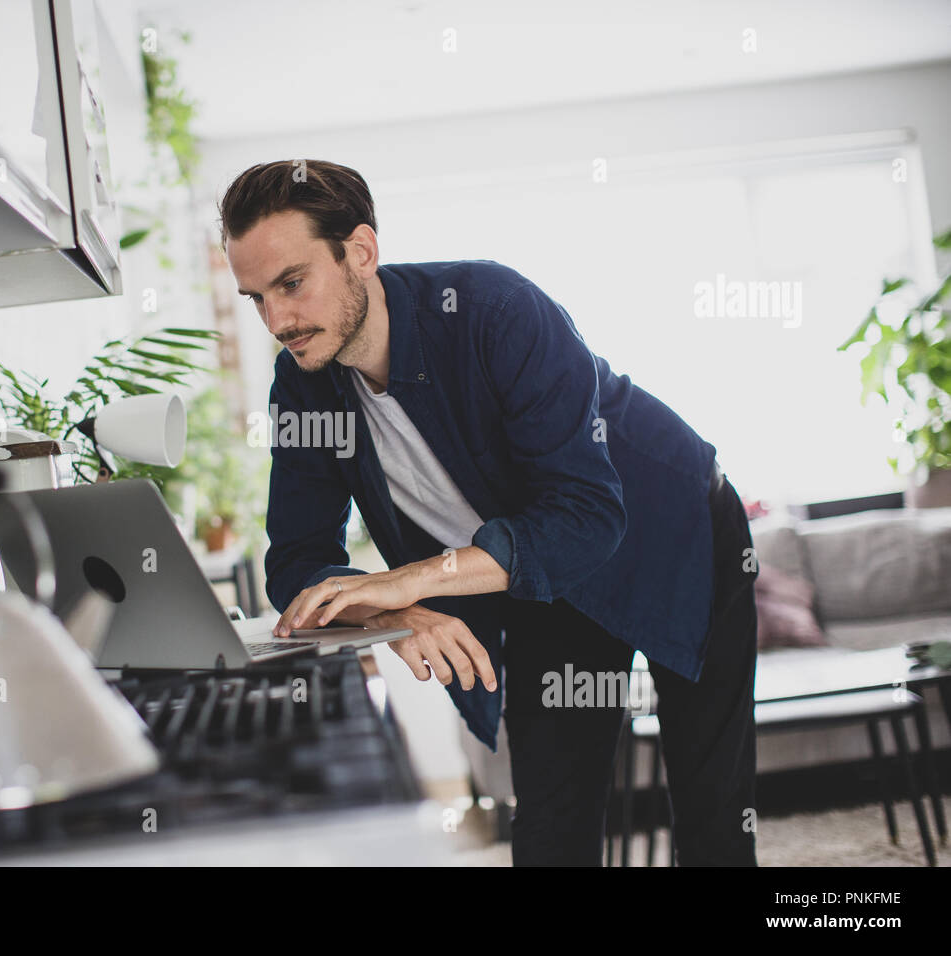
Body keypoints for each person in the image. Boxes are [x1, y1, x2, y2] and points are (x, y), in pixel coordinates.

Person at [218, 159, 758, 866]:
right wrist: (392, 615)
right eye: (256, 297)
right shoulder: (304, 386)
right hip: (531, 572)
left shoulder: (493, 309)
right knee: (550, 827)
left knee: (712, 811)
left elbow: (588, 515)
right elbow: (295, 560)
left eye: (292, 283)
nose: (277, 321)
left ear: (361, 251)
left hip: (674, 531)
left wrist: (411, 579)